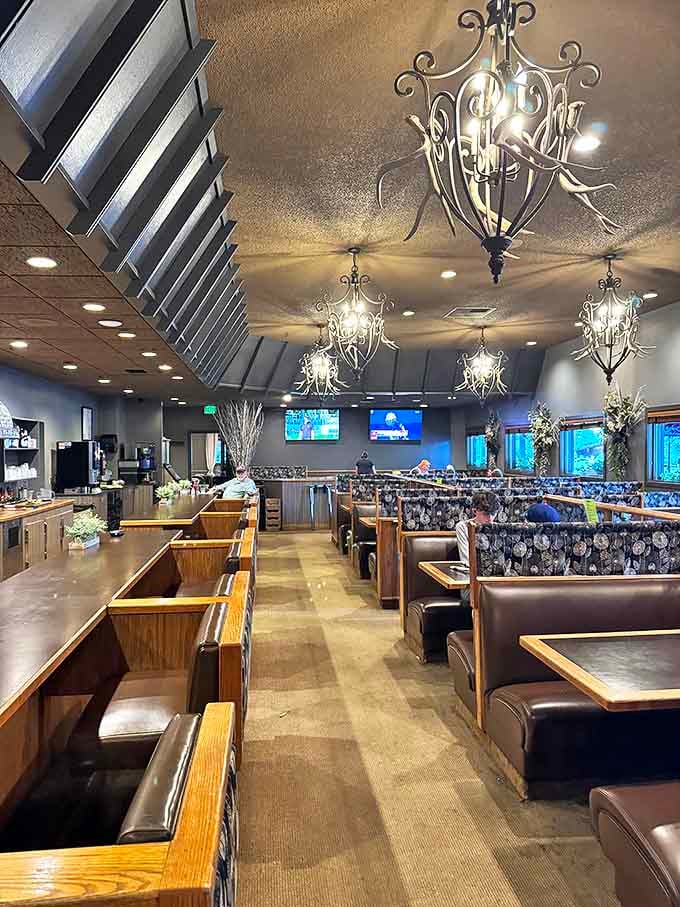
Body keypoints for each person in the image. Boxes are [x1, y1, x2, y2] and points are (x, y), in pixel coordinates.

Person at [456, 490, 500, 568]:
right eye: (485, 514)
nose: (490, 519)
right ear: (475, 511)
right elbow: (466, 560)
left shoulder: (499, 528)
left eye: (493, 514)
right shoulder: (463, 527)